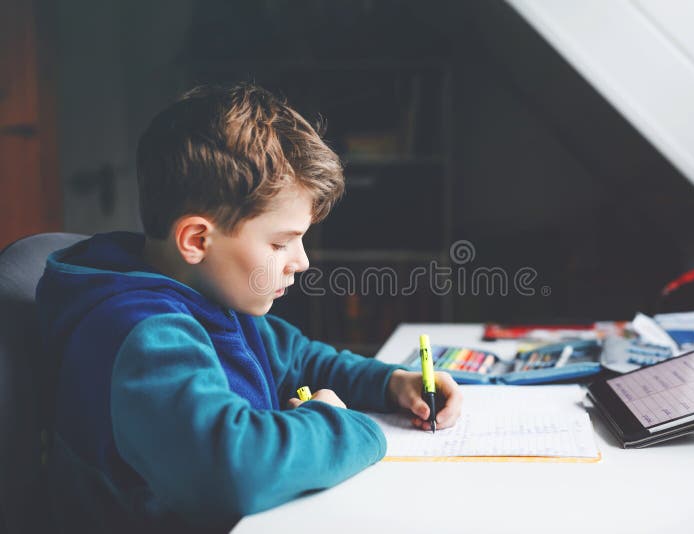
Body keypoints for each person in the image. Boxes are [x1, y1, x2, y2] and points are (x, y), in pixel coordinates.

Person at [36, 82, 462, 533]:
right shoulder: (142, 335)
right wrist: (341, 426)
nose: (302, 262)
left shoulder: (210, 295)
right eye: (281, 242)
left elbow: (297, 358)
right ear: (197, 240)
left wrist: (391, 384)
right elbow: (232, 470)